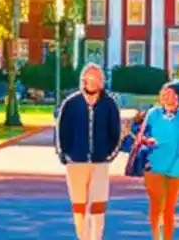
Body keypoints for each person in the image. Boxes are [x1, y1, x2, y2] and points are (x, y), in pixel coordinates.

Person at [56, 64, 123, 240]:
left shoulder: (109, 104)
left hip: (100, 162)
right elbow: (62, 131)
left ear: (102, 82)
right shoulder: (71, 104)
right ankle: (82, 236)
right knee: (79, 206)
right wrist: (64, 154)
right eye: (89, 78)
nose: (92, 82)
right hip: (76, 162)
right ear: (83, 80)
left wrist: (110, 154)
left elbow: (115, 132)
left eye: (96, 78)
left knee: (98, 206)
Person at [141, 82, 179, 240]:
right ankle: (156, 236)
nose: (165, 96)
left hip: (176, 169)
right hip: (154, 166)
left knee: (168, 209)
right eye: (163, 92)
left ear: (178, 96)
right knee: (156, 207)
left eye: (170, 93)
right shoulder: (153, 114)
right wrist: (147, 140)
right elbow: (142, 135)